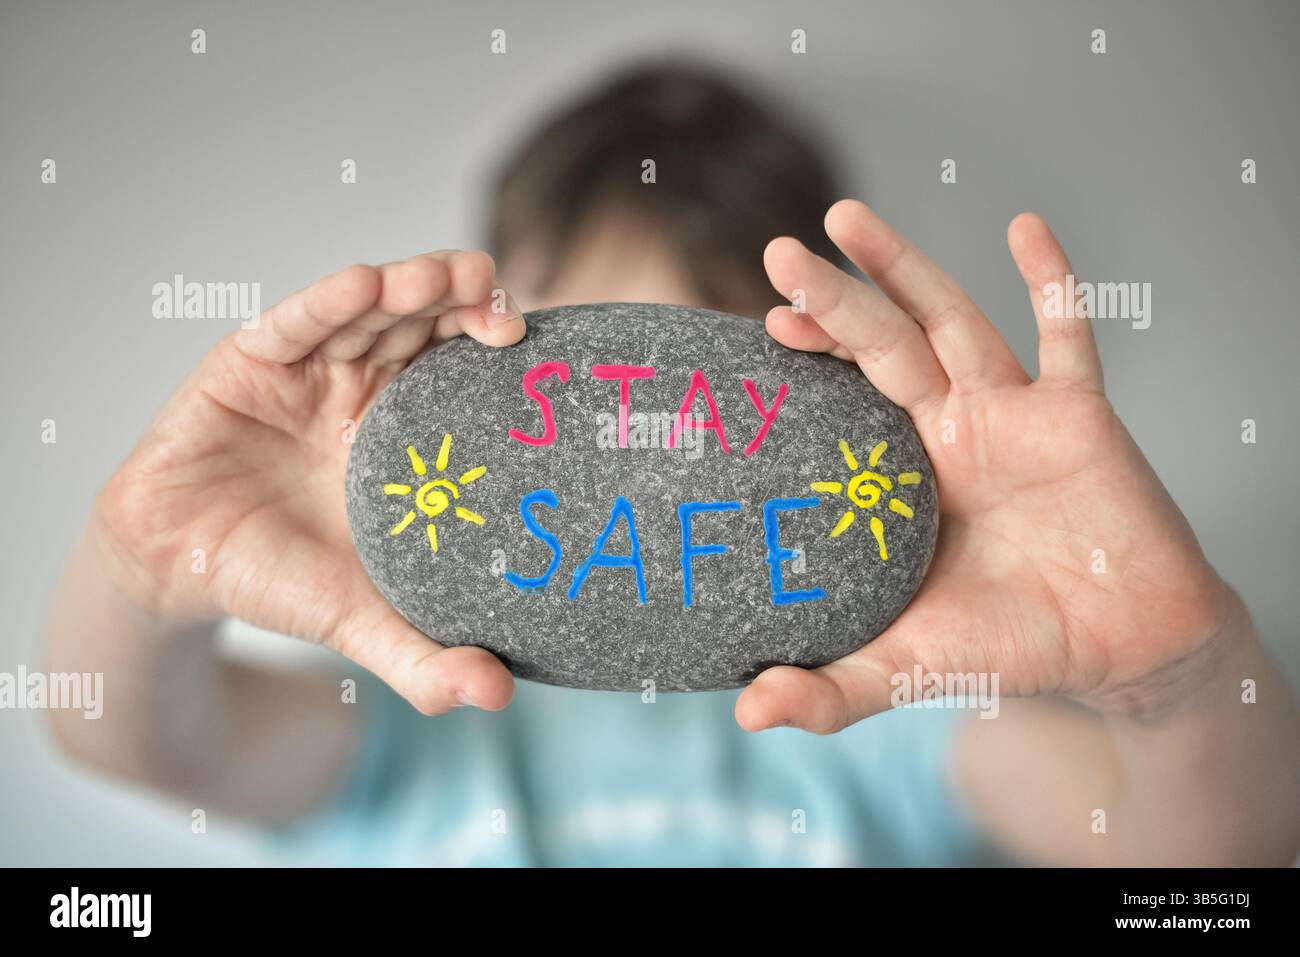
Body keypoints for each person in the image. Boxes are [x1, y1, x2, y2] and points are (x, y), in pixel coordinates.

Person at [44, 64, 1299, 865]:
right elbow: (135, 746)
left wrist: (1182, 677)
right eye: (586, 385)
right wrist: (145, 563)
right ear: (479, 363)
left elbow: (1204, 877)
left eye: (707, 388)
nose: (642, 455)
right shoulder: (408, 708)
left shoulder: (885, 717)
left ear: (820, 386)